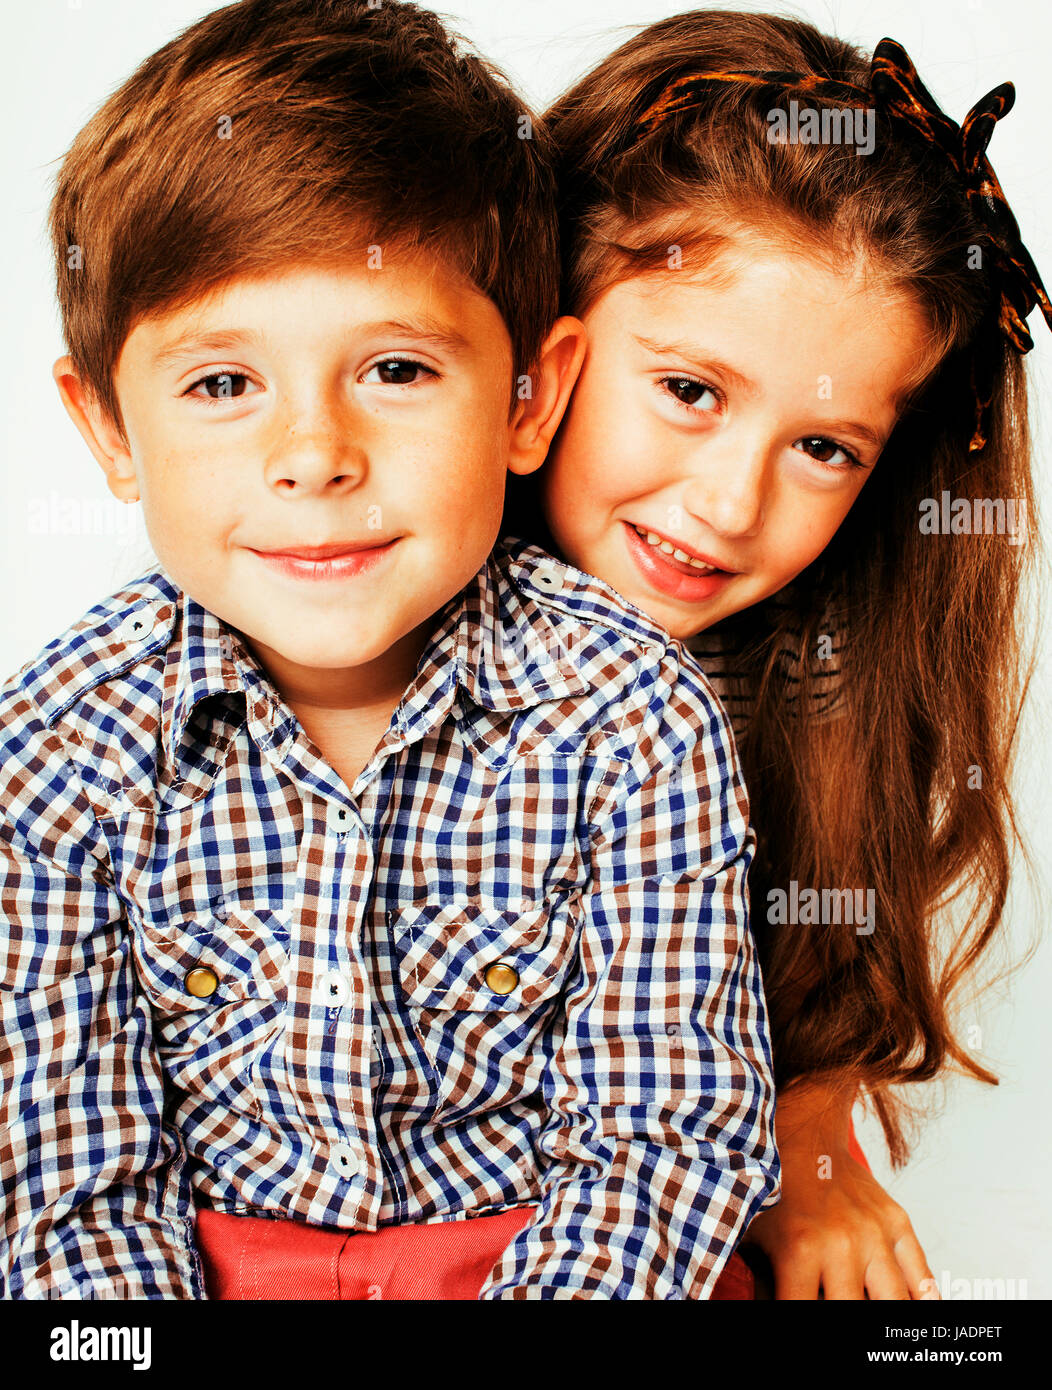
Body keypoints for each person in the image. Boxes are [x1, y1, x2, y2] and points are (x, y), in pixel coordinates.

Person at [0, 0, 778, 1300]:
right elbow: (69, 1189)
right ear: (108, 431)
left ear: (531, 395)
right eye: (221, 384)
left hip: (549, 1264)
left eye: (399, 370)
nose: (314, 455)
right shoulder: (59, 746)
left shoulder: (631, 713)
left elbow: (666, 1134)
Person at [502, 9, 1051, 1299]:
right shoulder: (333, 606)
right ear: (546, 334)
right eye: (690, 390)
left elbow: (791, 983)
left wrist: (809, 1139)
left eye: (826, 449)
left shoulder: (808, 693)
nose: (730, 506)